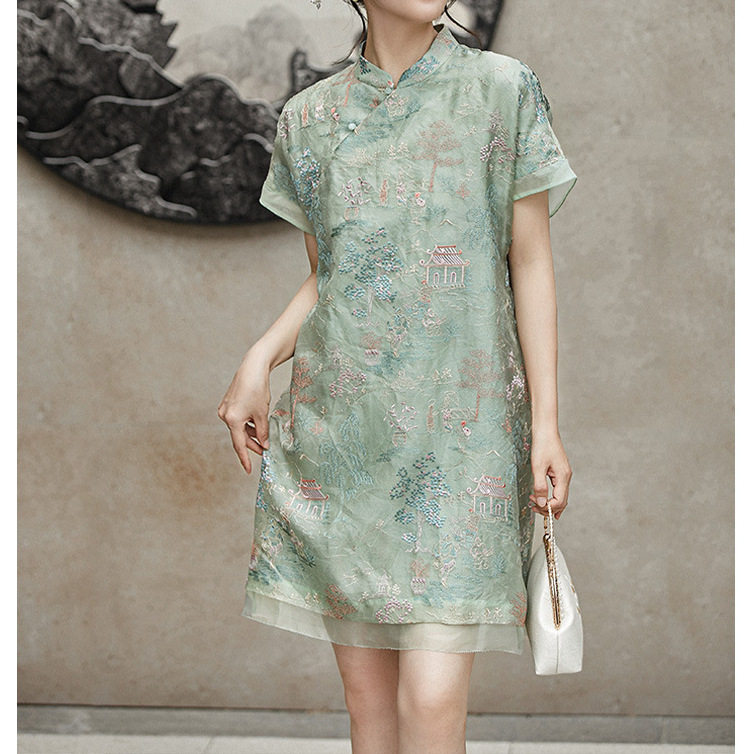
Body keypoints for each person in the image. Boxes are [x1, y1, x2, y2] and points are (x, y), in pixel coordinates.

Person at [218, 1, 577, 751]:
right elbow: (335, 278)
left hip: (464, 439)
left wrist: (546, 425)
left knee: (432, 700)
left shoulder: (501, 90)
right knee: (369, 708)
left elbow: (531, 261)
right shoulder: (309, 118)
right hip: (346, 441)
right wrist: (260, 356)